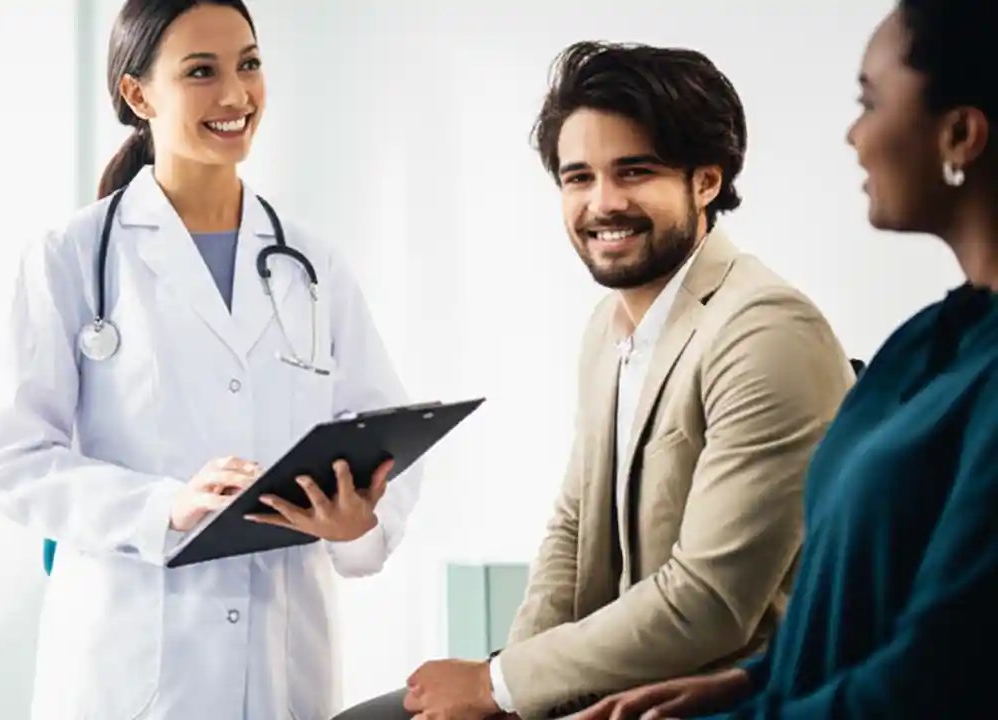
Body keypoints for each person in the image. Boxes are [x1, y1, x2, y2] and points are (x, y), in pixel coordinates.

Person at [334, 42, 854, 720]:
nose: (602, 203)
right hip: (619, 677)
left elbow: (709, 603)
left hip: (721, 693)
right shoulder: (609, 330)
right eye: (578, 178)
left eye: (634, 171)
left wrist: (496, 684)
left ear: (706, 182)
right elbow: (573, 529)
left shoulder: (766, 331)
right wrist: (511, 694)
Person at [0, 1, 422, 718]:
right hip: (129, 666)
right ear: (139, 94)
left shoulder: (311, 264)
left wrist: (358, 524)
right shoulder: (70, 257)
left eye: (249, 64)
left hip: (282, 663)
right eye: (201, 72)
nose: (236, 94)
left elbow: (384, 433)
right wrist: (164, 508)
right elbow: (10, 459)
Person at [573, 2, 998, 719]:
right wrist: (753, 681)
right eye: (578, 176)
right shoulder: (928, 341)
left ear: (960, 133)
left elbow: (937, 677)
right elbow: (862, 602)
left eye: (869, 102)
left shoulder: (771, 326)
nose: (854, 136)